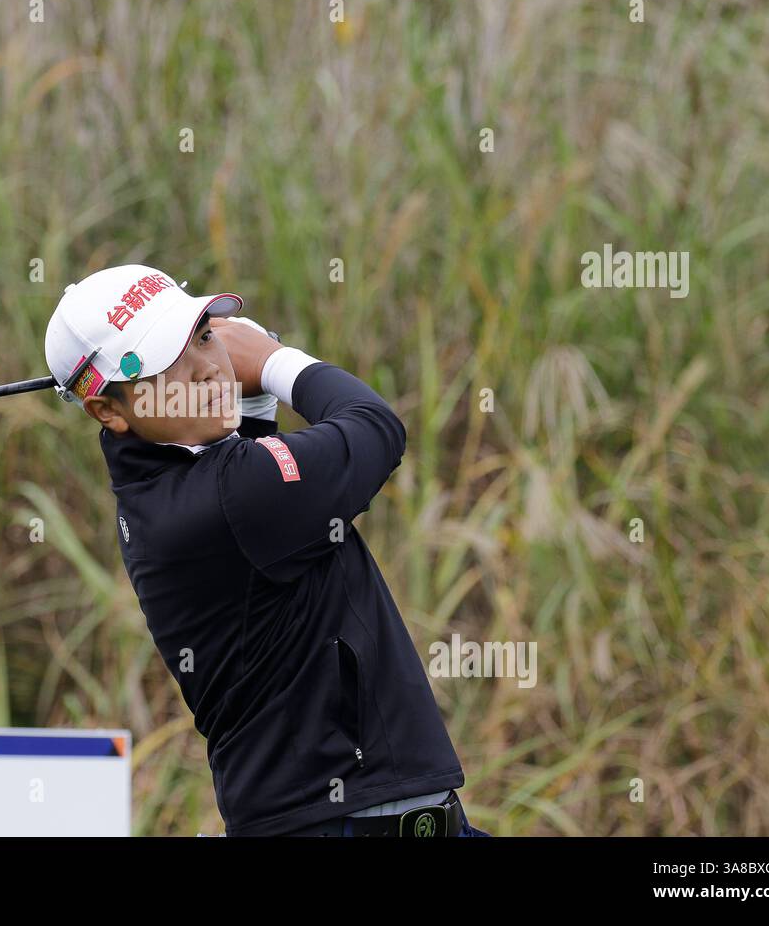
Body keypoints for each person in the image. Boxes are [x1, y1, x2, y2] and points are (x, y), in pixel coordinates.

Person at [44, 263, 489, 837]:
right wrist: (277, 363)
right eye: (166, 363)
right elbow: (376, 429)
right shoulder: (230, 497)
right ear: (108, 410)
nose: (206, 367)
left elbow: (261, 475)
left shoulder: (170, 491)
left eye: (204, 336)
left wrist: (250, 404)